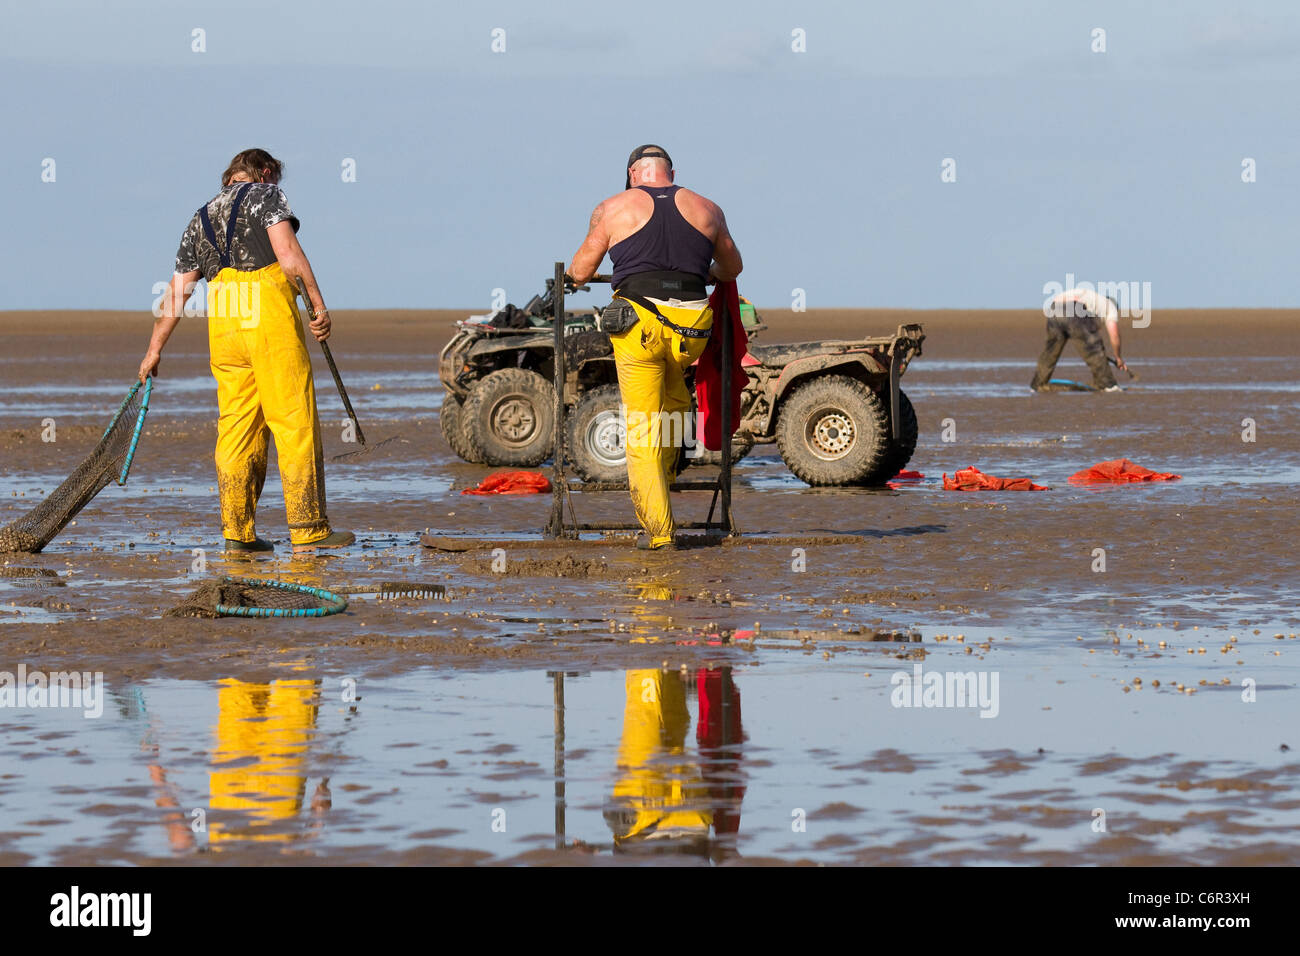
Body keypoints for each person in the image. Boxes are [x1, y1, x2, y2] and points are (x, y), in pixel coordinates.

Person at [138, 148, 354, 553]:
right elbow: (288, 256)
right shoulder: (266, 196)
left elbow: (176, 293)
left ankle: (238, 535)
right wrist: (319, 306)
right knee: (293, 420)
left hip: (223, 323)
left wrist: (154, 350)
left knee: (236, 430)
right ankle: (309, 531)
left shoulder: (199, 219)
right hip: (267, 317)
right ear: (266, 173)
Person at [568, 145, 743, 550]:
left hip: (641, 328)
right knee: (676, 402)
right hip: (692, 331)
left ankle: (661, 534)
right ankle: (666, 477)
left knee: (642, 431)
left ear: (633, 174)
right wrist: (707, 272)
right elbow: (731, 268)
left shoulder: (612, 207)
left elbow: (579, 272)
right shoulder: (708, 208)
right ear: (671, 172)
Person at [1031, 287, 1128, 392]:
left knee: (1050, 352)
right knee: (1094, 350)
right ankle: (1108, 386)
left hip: (1054, 307)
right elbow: (1114, 334)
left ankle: (1037, 385)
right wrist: (1118, 358)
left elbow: (1091, 328)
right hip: (1074, 308)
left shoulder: (1094, 300)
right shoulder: (1110, 307)